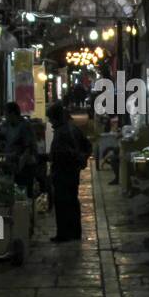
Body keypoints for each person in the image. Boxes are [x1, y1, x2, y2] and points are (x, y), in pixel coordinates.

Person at [48, 103, 90, 242]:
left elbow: (61, 153)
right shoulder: (72, 129)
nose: (50, 121)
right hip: (72, 171)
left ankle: (64, 234)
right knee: (72, 200)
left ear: (56, 118)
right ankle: (75, 232)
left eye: (51, 118)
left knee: (62, 202)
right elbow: (87, 146)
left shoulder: (63, 132)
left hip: (63, 171)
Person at [1, 102, 38, 195]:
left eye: (6, 114)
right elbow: (5, 138)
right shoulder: (8, 125)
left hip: (25, 166)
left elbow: (28, 147)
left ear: (13, 114)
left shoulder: (25, 126)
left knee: (24, 192)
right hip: (12, 163)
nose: (5, 116)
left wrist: (21, 163)